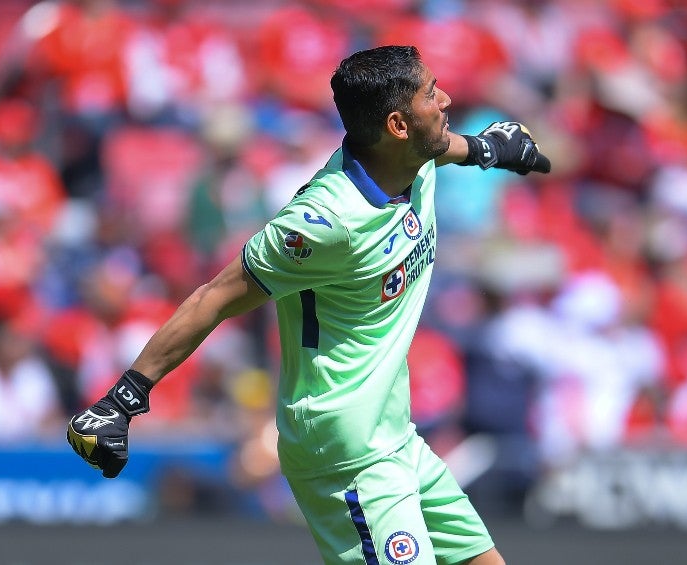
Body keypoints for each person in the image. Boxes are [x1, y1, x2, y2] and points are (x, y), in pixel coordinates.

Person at [66, 45, 549, 565]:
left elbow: (446, 145)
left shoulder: (412, 155)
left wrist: (489, 150)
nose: (446, 98)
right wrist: (122, 399)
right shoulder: (323, 222)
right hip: (347, 452)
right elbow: (214, 298)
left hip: (394, 435)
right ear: (397, 125)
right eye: (432, 93)